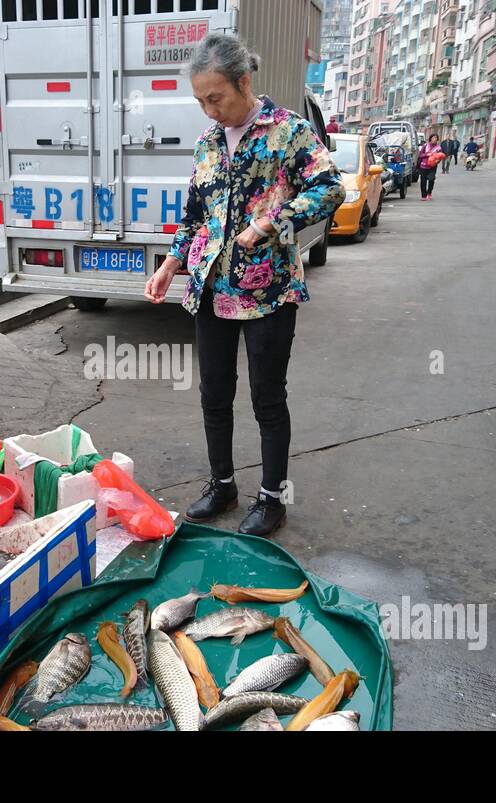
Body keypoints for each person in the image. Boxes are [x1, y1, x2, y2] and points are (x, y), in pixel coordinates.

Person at [143, 33, 342, 538]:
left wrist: (273, 222)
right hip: (212, 288)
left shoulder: (287, 132)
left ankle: (271, 498)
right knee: (214, 394)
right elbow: (194, 217)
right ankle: (222, 484)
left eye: (217, 98)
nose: (210, 110)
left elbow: (330, 186)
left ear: (244, 82)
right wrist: (171, 263)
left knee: (267, 398)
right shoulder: (208, 144)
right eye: (201, 101)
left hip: (269, 291)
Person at [418, 132, 442, 199]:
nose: (434, 139)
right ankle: (423, 195)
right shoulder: (425, 145)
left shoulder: (438, 148)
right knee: (423, 181)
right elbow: (420, 155)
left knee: (431, 179)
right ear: (430, 138)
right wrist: (426, 154)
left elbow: (440, 157)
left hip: (432, 166)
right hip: (423, 166)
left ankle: (429, 192)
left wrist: (438, 161)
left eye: (436, 138)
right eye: (433, 137)